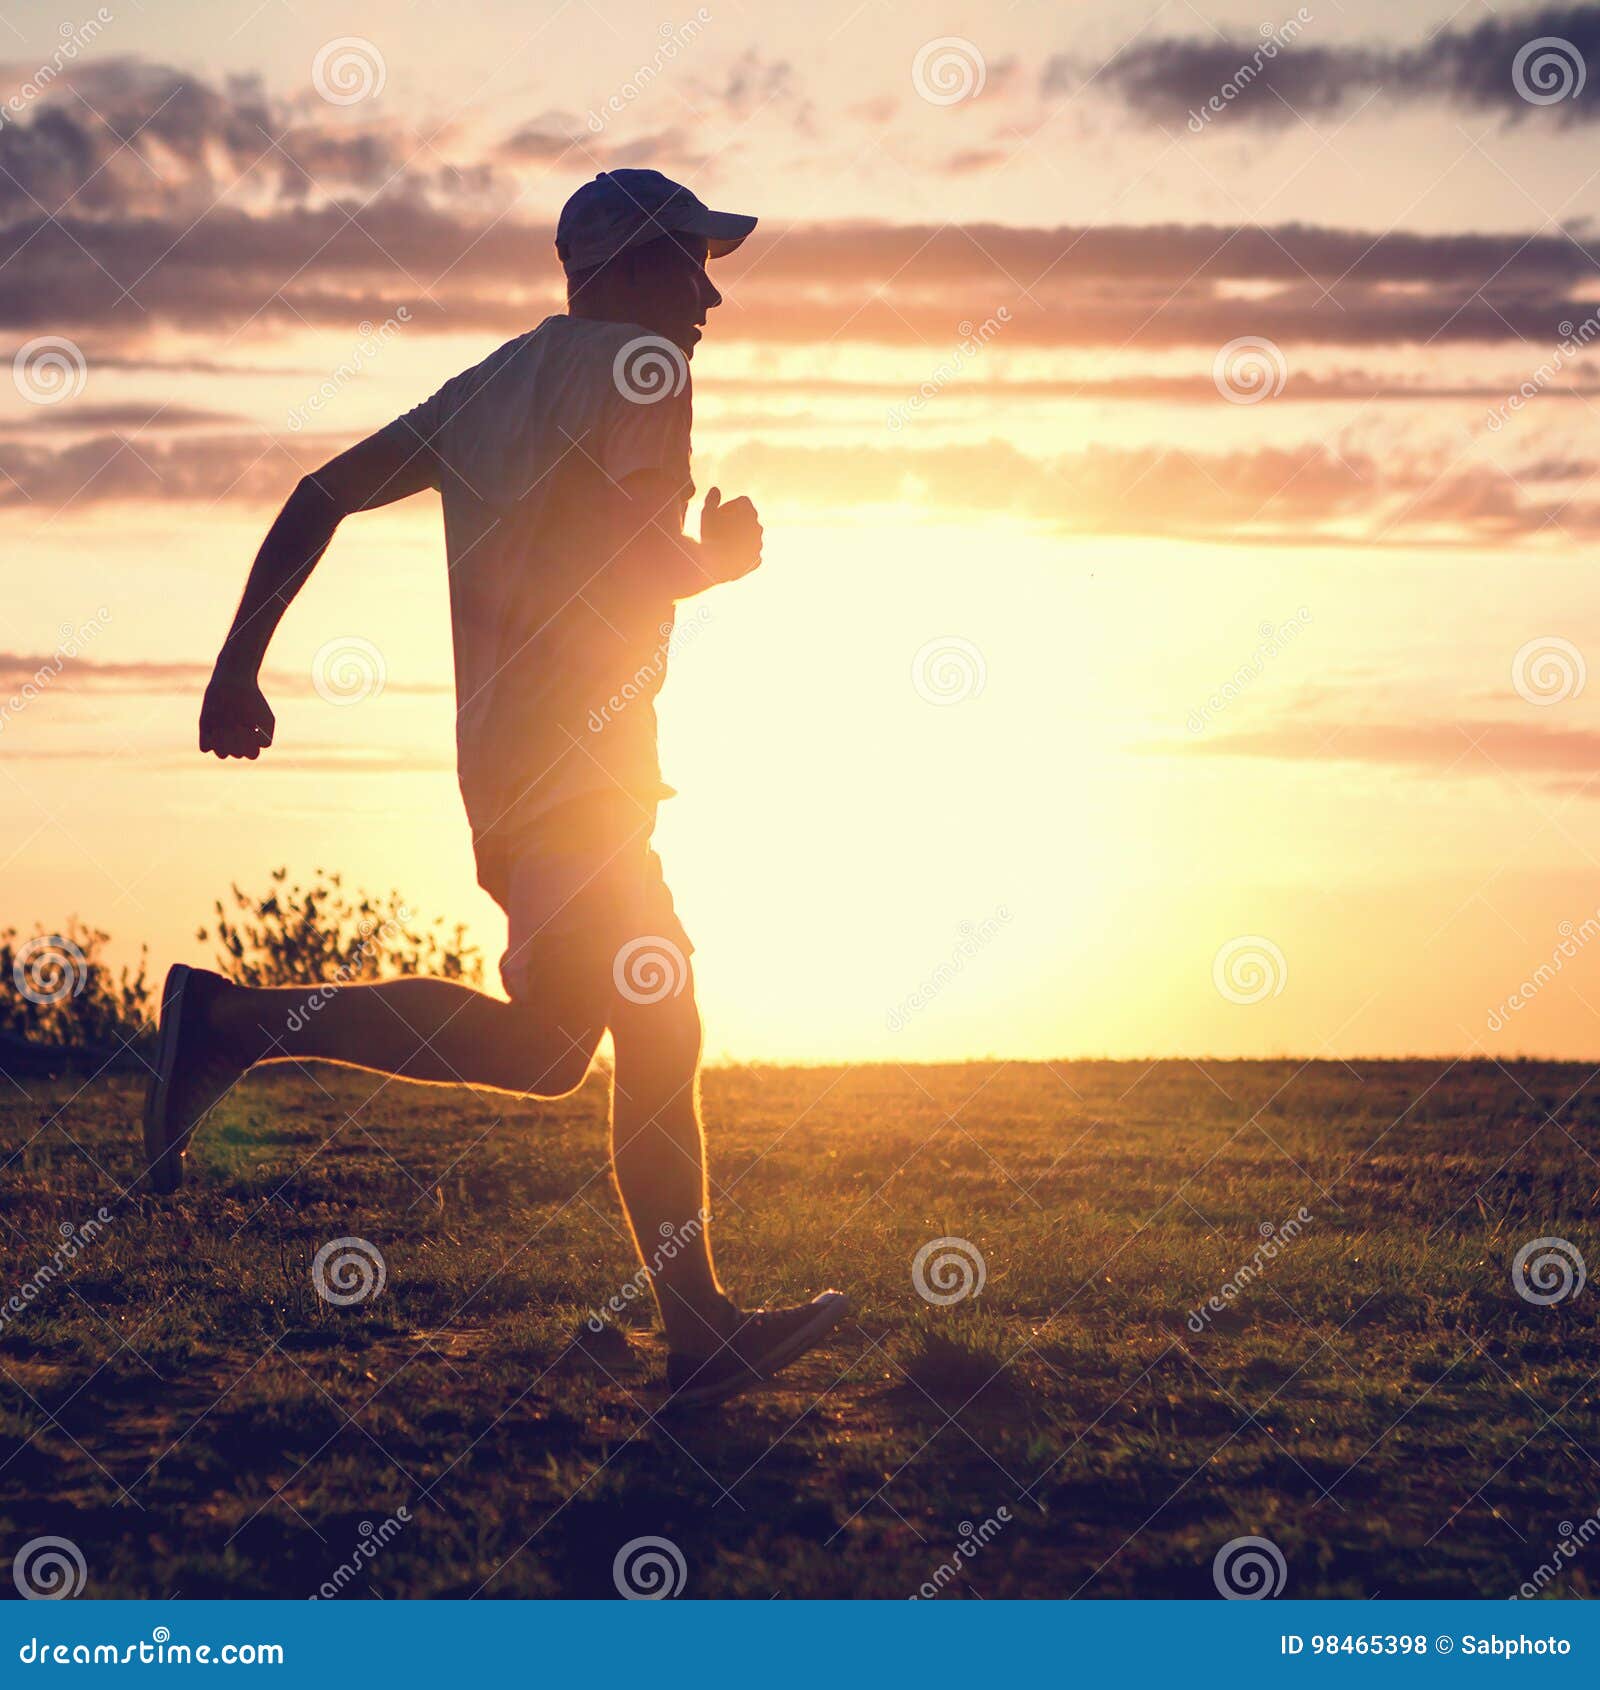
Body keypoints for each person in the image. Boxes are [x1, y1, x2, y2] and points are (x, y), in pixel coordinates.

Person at [142, 168, 848, 1410]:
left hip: (523, 772)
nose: (712, 294)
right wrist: (724, 562)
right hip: (578, 768)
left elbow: (319, 495)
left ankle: (234, 1023)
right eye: (693, 260)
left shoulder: (494, 383)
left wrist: (235, 663)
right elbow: (639, 561)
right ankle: (700, 1335)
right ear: (628, 268)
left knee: (553, 1050)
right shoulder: (647, 369)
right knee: (657, 1013)